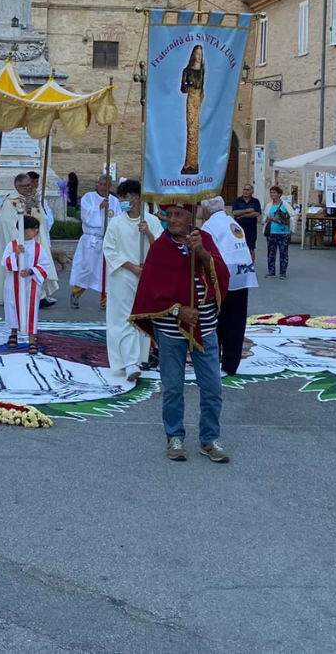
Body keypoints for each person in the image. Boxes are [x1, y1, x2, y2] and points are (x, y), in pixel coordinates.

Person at [130, 203, 230, 464]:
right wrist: (177, 310)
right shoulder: (160, 248)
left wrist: (202, 253)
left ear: (191, 217)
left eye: (178, 215)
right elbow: (150, 292)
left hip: (205, 327)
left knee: (212, 387)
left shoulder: (204, 239)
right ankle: (174, 436)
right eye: (168, 215)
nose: (171, 220)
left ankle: (210, 439)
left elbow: (221, 275)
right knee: (173, 387)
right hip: (170, 330)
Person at [103, 180, 163, 383]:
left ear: (136, 199)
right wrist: (132, 267)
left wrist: (148, 233)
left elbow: (161, 248)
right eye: (120, 197)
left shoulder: (151, 221)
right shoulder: (116, 223)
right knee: (124, 318)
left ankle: (138, 359)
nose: (121, 201)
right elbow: (109, 250)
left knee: (141, 317)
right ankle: (129, 363)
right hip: (123, 275)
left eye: (125, 197)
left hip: (146, 276)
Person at [200, 195, 257, 375]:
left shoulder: (209, 226)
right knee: (237, 323)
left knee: (217, 322)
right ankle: (231, 364)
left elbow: (207, 253)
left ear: (206, 210)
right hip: (242, 275)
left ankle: (213, 361)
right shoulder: (232, 222)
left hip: (223, 277)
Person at [0, 172, 58, 307]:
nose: (27, 188)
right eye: (24, 186)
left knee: (36, 266)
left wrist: (34, 216)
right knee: (23, 269)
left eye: (29, 185)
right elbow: (7, 224)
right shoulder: (10, 202)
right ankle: (20, 296)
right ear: (17, 187)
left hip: (34, 240)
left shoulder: (33, 200)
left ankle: (39, 295)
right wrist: (22, 236)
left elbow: (43, 219)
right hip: (20, 243)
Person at [2, 216, 52, 353]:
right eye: (34, 229)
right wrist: (16, 255)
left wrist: (32, 271)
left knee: (30, 310)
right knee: (13, 307)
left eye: (37, 229)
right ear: (24, 230)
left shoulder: (38, 248)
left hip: (31, 285)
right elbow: (5, 263)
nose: (36, 231)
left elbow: (45, 265)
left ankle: (31, 338)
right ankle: (13, 333)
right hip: (13, 284)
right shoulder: (12, 246)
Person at [69, 176, 118, 308]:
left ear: (110, 186)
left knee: (106, 271)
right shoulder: (88, 198)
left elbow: (118, 219)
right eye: (100, 184)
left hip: (107, 239)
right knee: (87, 268)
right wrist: (99, 207)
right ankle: (76, 292)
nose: (102, 187)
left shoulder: (114, 201)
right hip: (91, 240)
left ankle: (105, 299)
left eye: (105, 184)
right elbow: (85, 216)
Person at [264, 185, 291, 279]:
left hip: (283, 233)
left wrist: (280, 220)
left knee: (283, 253)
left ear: (279, 194)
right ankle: (271, 271)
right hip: (271, 232)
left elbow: (292, 217)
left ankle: (283, 272)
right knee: (271, 253)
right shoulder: (269, 206)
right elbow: (264, 217)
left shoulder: (285, 205)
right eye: (271, 192)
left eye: (274, 193)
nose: (272, 194)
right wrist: (268, 219)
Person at [231, 184, 262, 257]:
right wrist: (247, 210)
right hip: (238, 228)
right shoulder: (237, 201)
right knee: (238, 248)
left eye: (248, 190)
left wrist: (242, 215)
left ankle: (251, 264)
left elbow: (257, 213)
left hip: (251, 229)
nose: (245, 191)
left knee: (251, 249)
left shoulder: (255, 201)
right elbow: (234, 213)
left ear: (252, 192)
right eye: (244, 189)